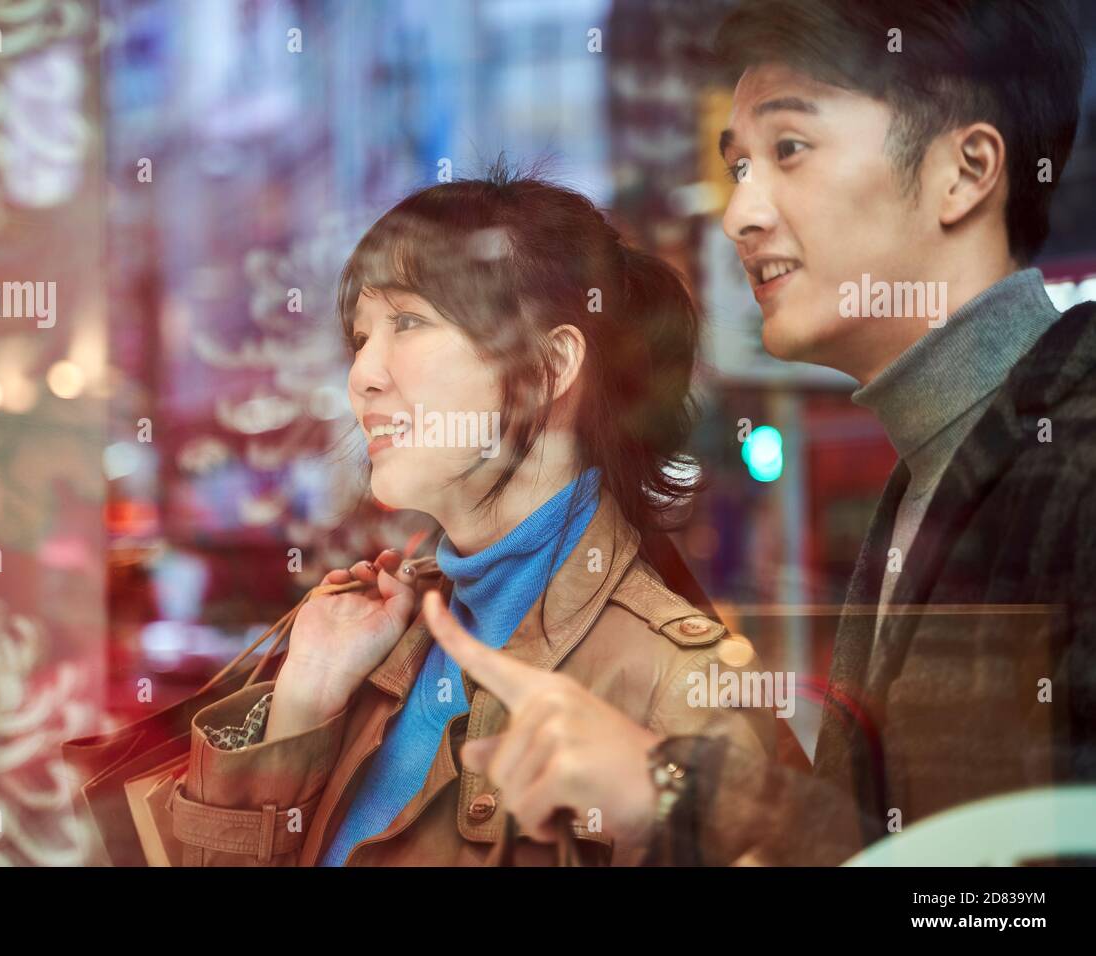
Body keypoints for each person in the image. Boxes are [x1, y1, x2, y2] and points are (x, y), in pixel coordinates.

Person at [421, 0, 1096, 866]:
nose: (741, 213)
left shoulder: (1071, 455)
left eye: (789, 150)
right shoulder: (936, 470)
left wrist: (679, 792)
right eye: (737, 164)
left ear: (965, 172)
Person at [171, 162, 796, 866]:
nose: (363, 375)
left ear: (548, 368)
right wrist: (301, 703)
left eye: (408, 322)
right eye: (361, 336)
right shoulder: (381, 641)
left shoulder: (682, 687)